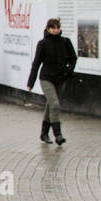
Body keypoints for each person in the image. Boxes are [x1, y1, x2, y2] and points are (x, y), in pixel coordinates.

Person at [27, 17, 77, 145]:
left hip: (61, 78)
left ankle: (44, 133)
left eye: (57, 27)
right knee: (55, 104)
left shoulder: (65, 42)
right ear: (48, 29)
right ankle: (58, 134)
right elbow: (36, 63)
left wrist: (68, 71)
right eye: (53, 28)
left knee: (51, 105)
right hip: (46, 78)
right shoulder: (43, 43)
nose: (56, 30)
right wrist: (31, 82)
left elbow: (73, 58)